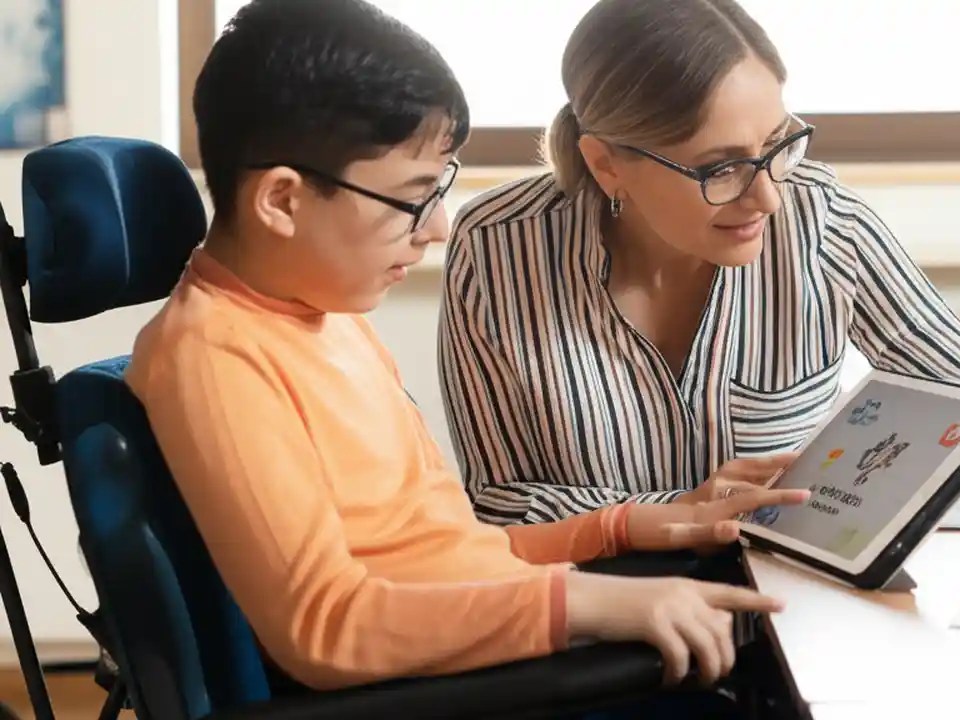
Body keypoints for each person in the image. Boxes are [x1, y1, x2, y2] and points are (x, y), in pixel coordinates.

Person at [125, 0, 807, 695]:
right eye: (415, 196)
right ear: (281, 201)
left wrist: (631, 525)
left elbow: (451, 552)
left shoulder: (320, 314)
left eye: (442, 187)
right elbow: (326, 627)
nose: (442, 228)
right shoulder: (213, 357)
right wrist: (598, 603)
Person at [439, 0, 960, 527]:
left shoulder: (820, 218)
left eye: (780, 143)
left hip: (798, 614)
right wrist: (671, 513)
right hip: (604, 624)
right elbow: (501, 501)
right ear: (607, 165)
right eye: (720, 168)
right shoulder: (498, 249)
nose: (767, 195)